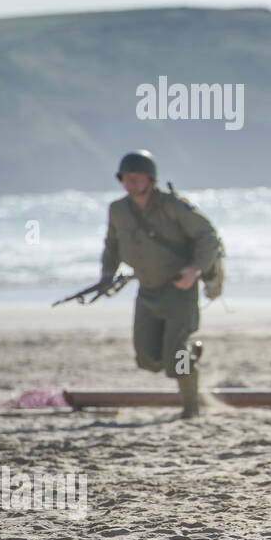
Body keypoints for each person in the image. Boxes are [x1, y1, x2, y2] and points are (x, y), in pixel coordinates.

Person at [98, 150, 222, 418]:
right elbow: (112, 246)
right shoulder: (118, 210)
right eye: (126, 178)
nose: (131, 183)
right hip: (147, 291)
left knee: (176, 357)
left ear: (150, 179)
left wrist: (194, 269)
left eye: (137, 177)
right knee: (147, 359)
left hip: (179, 289)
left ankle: (191, 410)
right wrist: (106, 276)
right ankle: (191, 355)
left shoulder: (172, 205)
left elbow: (208, 236)